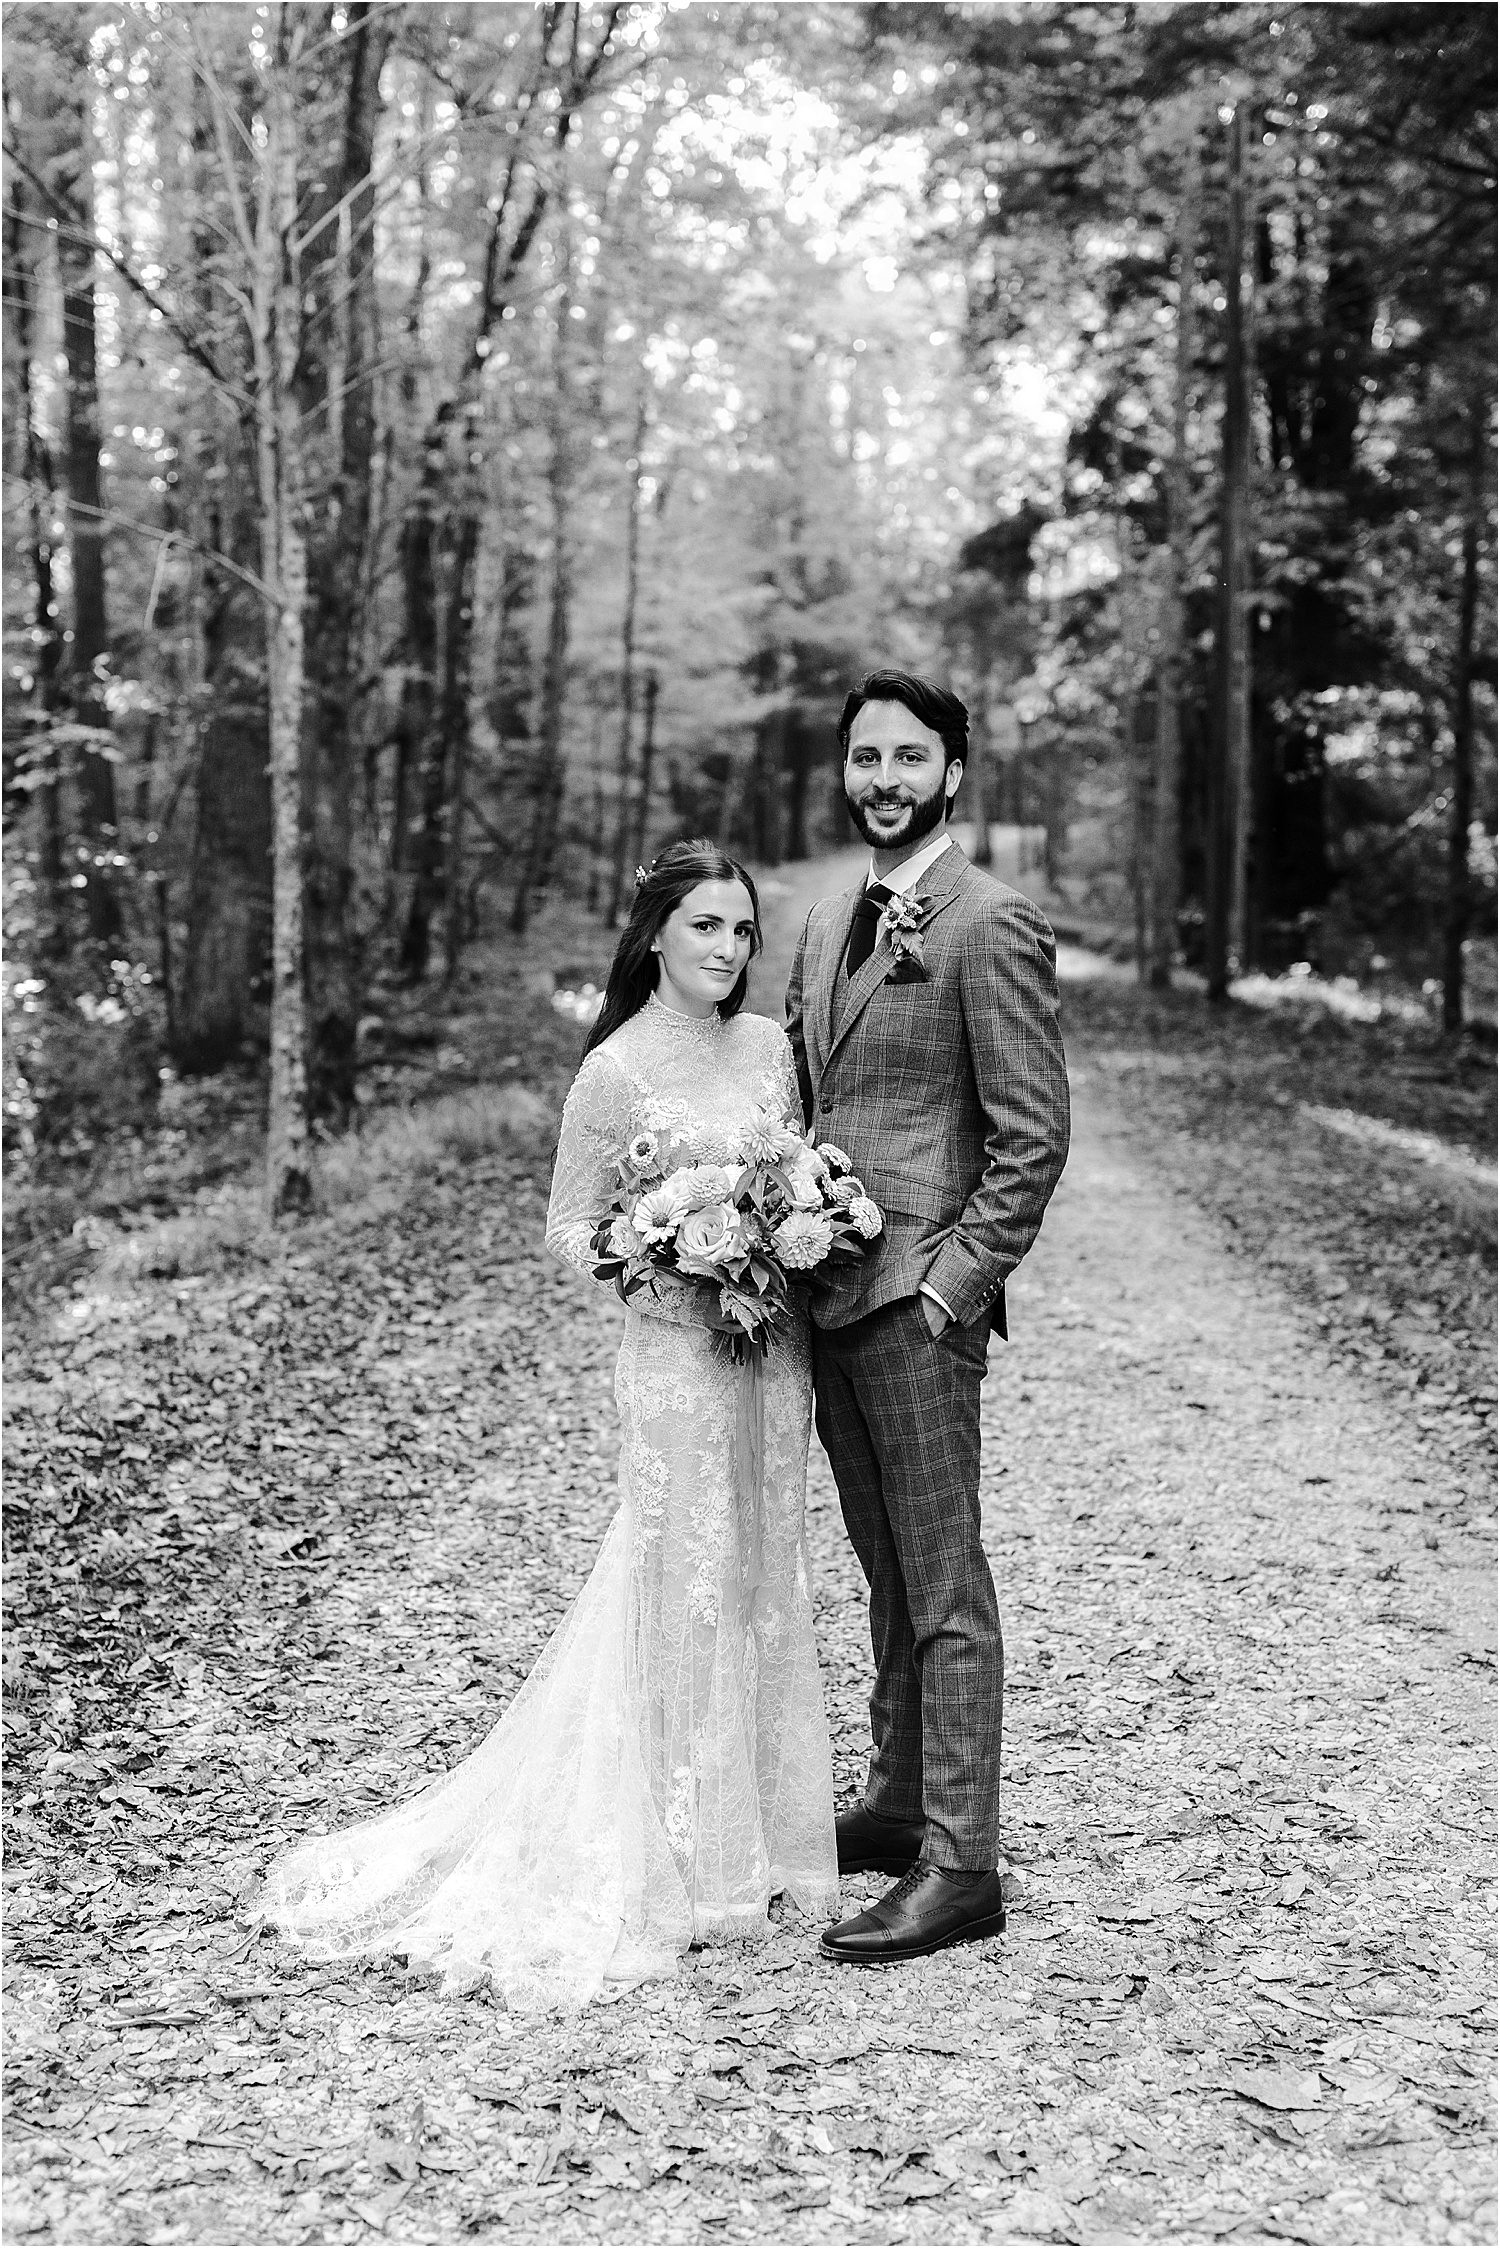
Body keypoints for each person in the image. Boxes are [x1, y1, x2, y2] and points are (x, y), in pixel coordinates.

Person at [264, 841, 838, 2011]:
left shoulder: (769, 1047)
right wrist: (660, 1261)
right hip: (677, 1358)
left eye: (740, 929)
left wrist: (797, 1223)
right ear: (655, 935)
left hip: (772, 1356)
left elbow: (790, 1174)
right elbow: (570, 1228)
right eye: (704, 926)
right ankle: (682, 1858)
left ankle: (766, 1845)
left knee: (762, 1571)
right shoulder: (612, 1071)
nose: (727, 948)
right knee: (681, 1575)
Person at [786, 668, 1071, 1962]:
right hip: (827, 1292)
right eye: (867, 758)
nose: (885, 780)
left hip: (917, 1306)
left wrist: (955, 1289)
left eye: (909, 758)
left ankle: (963, 1863)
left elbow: (1031, 1139)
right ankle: (900, 1800)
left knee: (947, 1584)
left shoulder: (990, 922)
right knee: (887, 1570)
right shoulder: (825, 920)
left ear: (952, 772)